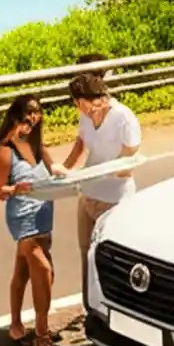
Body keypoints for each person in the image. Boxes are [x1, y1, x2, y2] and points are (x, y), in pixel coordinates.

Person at [0, 94, 66, 346]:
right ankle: (42, 334)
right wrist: (16, 188)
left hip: (44, 214)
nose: (33, 120)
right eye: (28, 115)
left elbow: (55, 167)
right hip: (22, 216)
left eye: (37, 113)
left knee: (24, 271)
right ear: (16, 116)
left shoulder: (36, 144)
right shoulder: (4, 148)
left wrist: (68, 172)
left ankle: (15, 325)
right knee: (44, 269)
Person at [62, 73, 142, 305]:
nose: (79, 108)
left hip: (115, 199)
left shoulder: (124, 118)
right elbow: (82, 145)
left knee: (111, 257)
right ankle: (90, 306)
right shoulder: (86, 117)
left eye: (80, 103)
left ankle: (119, 304)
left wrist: (110, 171)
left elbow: (128, 160)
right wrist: (65, 170)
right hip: (88, 194)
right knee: (86, 254)